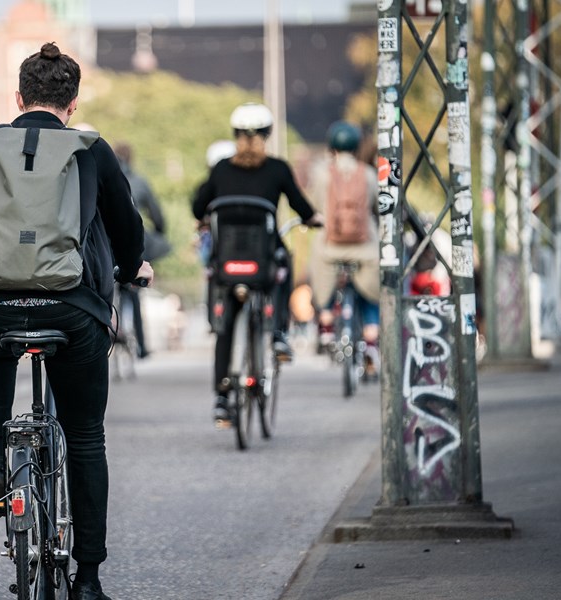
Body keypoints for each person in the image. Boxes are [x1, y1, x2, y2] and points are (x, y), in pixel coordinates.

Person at [0, 42, 153, 600]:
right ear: (73, 102)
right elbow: (126, 227)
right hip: (72, 308)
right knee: (85, 437)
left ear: (18, 98)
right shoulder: (91, 149)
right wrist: (134, 269)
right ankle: (86, 579)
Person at [191, 102, 322, 424]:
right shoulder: (277, 169)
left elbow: (198, 205)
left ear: (235, 134)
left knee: (226, 328)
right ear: (268, 134)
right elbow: (302, 207)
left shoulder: (221, 168)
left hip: (227, 263)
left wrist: (208, 215)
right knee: (285, 261)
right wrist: (312, 218)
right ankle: (278, 332)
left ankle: (222, 398)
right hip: (261, 264)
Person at [306, 121, 380, 373]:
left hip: (330, 247)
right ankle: (371, 342)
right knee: (371, 294)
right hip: (364, 247)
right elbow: (376, 205)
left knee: (318, 270)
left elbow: (314, 205)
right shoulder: (368, 174)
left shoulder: (321, 173)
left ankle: (326, 324)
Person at [114, 142, 168, 359]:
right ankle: (142, 347)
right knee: (134, 284)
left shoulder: (104, 176)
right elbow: (157, 215)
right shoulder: (140, 182)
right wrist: (160, 231)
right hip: (134, 241)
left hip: (108, 243)